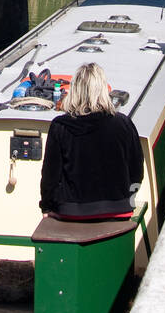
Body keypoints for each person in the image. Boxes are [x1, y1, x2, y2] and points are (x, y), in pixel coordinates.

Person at [39, 63, 144, 220]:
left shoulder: (59, 126)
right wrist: (128, 195)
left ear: (74, 91)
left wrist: (46, 207)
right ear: (103, 90)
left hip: (71, 211)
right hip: (118, 208)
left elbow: (50, 176)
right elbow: (136, 171)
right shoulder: (123, 124)